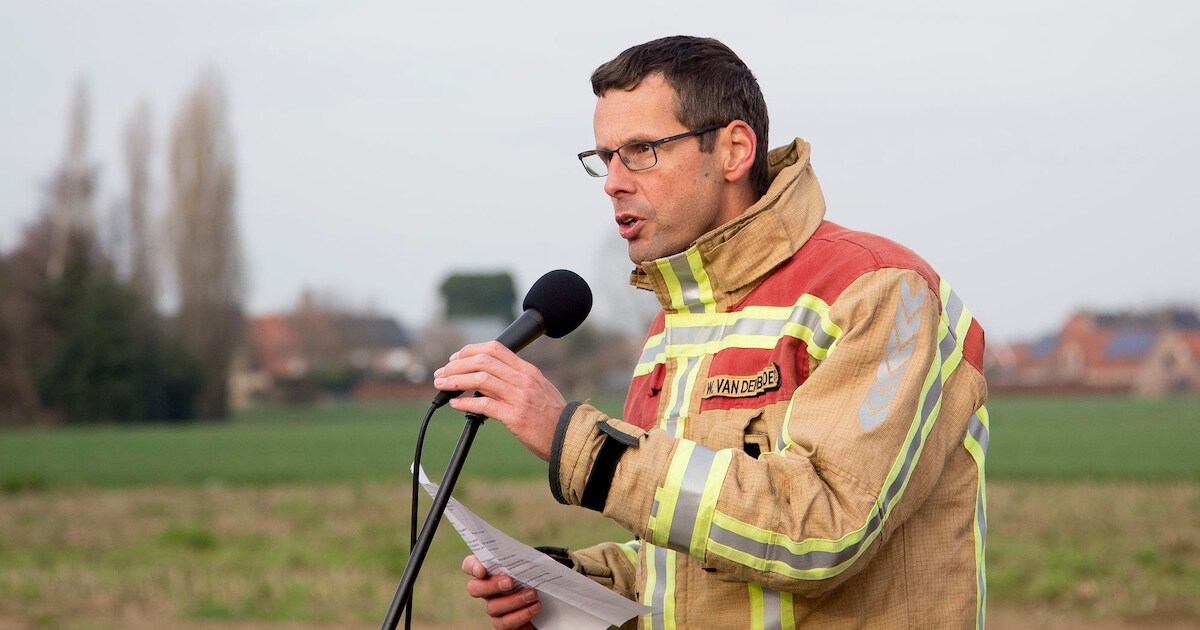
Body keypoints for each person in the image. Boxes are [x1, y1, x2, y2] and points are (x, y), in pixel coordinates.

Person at [434, 35, 989, 629]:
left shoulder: (880, 291)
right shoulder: (672, 324)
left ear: (733, 151)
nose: (612, 182)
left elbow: (825, 527)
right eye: (603, 157)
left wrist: (570, 439)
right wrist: (572, 582)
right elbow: (705, 548)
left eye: (640, 150)